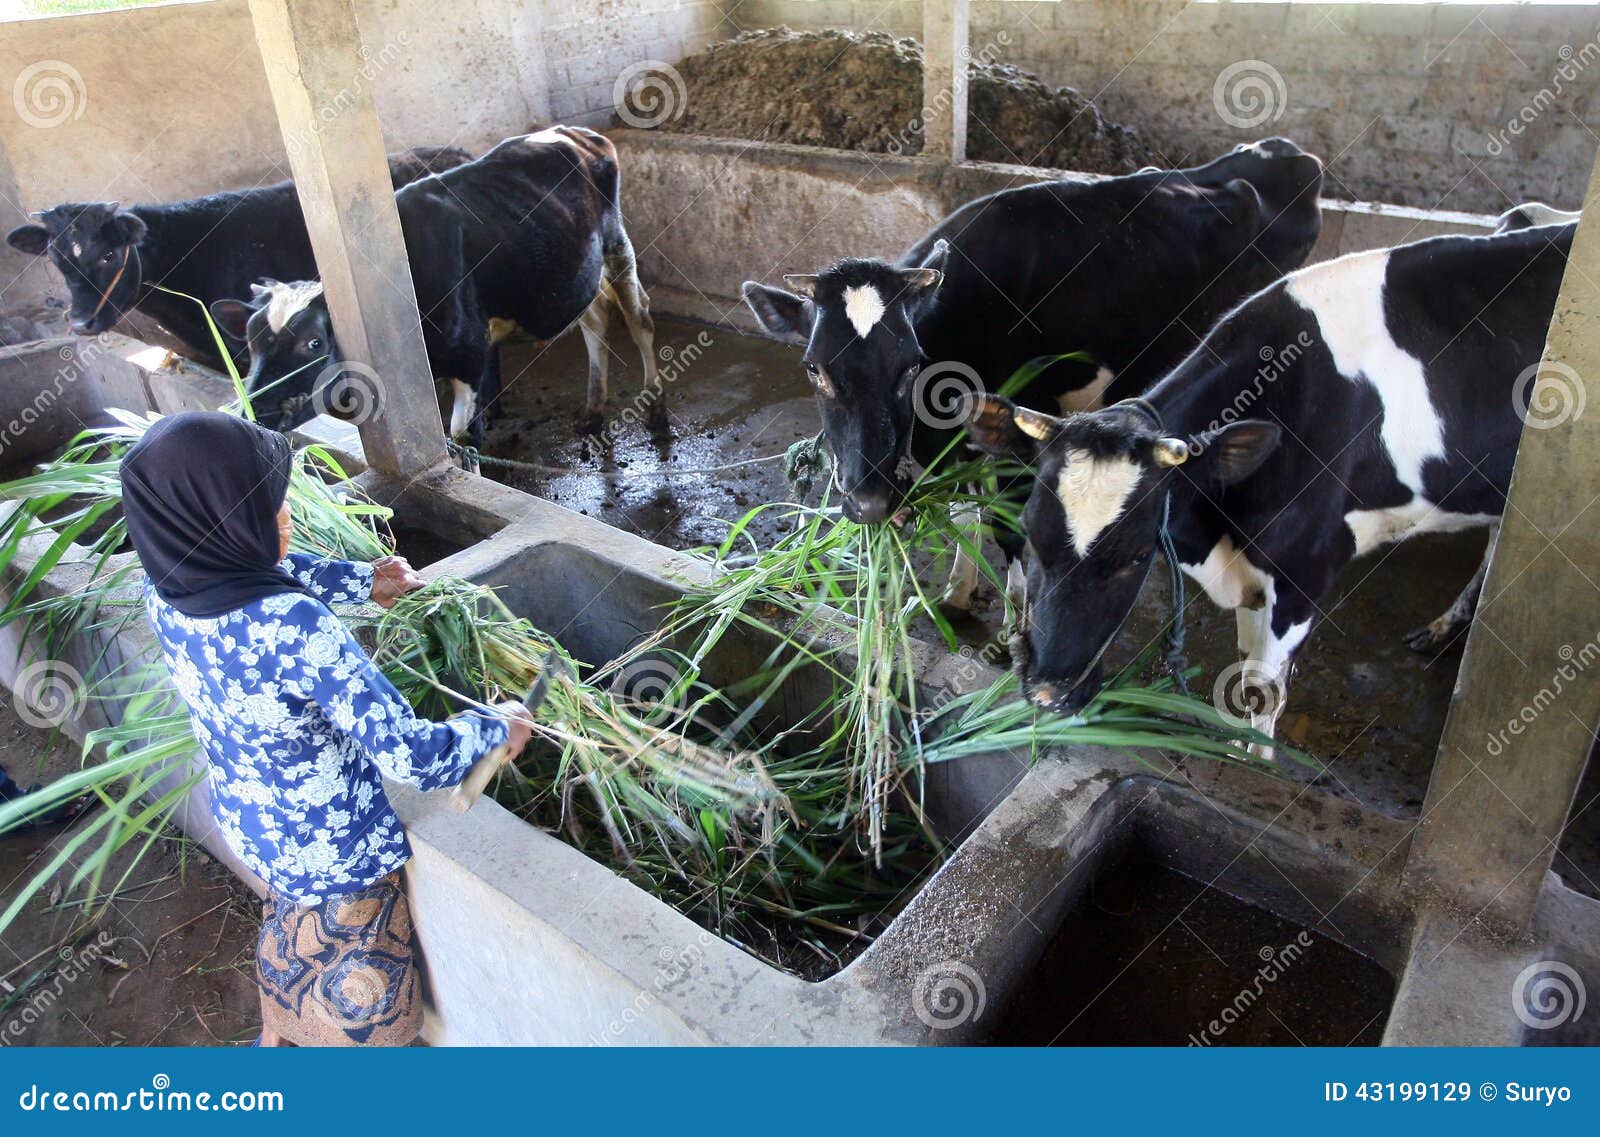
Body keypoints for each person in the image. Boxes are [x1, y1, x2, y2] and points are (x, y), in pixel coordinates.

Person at [118, 411, 532, 1047]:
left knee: (294, 923)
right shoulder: (296, 629)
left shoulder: (169, 584)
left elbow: (269, 569)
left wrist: (364, 581)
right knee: (365, 995)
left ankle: (278, 1029)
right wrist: (492, 728)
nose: (284, 515)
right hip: (338, 848)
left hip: (252, 820)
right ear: (228, 523)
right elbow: (410, 757)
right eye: (268, 505)